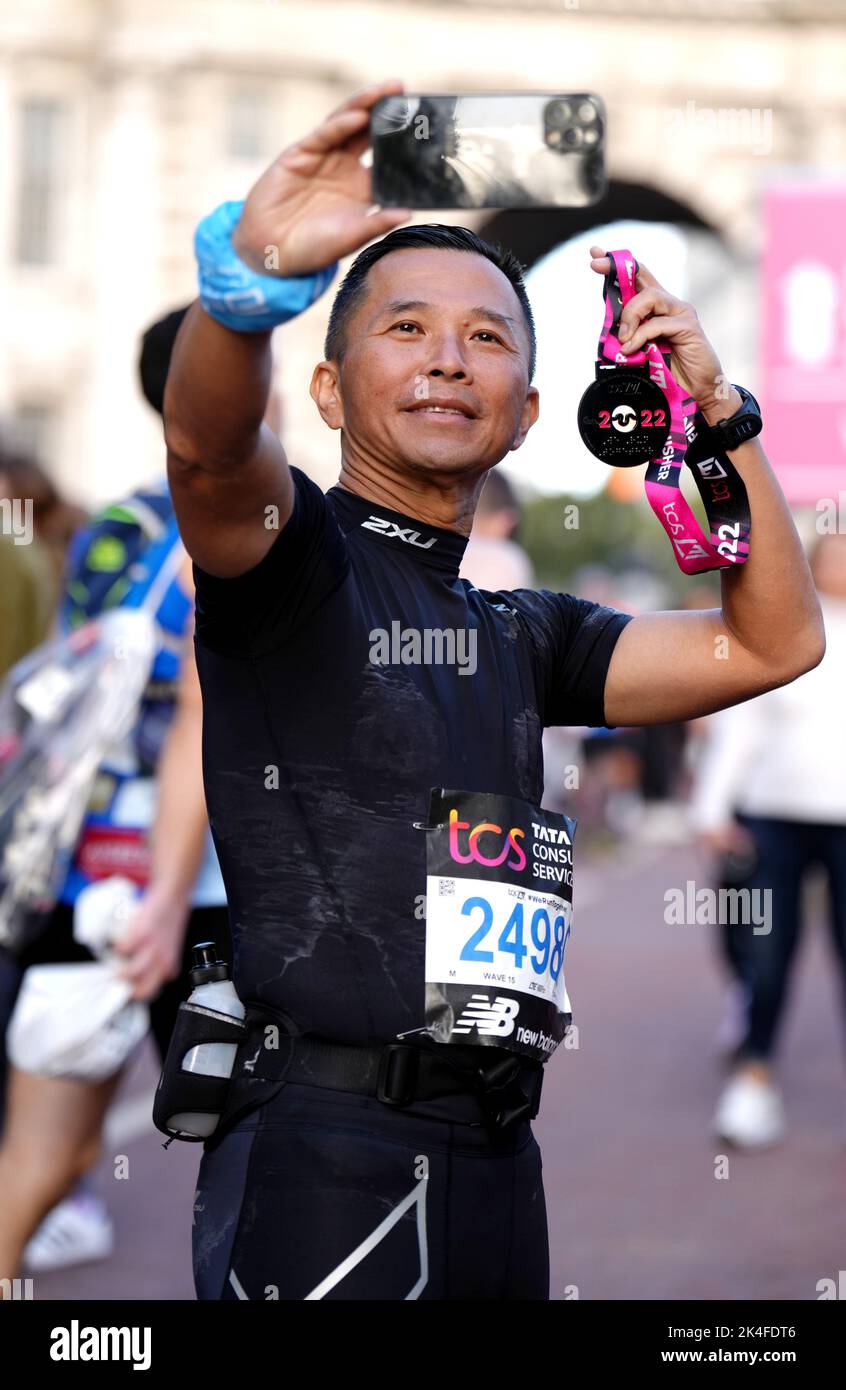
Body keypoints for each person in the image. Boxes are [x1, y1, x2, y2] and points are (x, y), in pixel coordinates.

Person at [163, 78, 824, 1300]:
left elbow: (772, 643)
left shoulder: (526, 629)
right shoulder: (294, 564)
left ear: (525, 414)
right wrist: (245, 293)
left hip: (497, 1156)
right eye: (405, 329)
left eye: (486, 338)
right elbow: (208, 454)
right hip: (324, 1160)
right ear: (327, 390)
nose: (447, 360)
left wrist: (724, 416)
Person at [0, 310, 231, 1283]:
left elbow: (69, 669)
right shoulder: (265, 524)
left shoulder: (110, 529)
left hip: (88, 859)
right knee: (256, 1142)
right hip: (220, 877)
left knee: (43, 1145)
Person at [689, 531, 846, 1148]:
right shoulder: (787, 627)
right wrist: (709, 808)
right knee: (766, 951)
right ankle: (755, 1080)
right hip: (772, 816)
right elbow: (741, 721)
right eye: (832, 557)